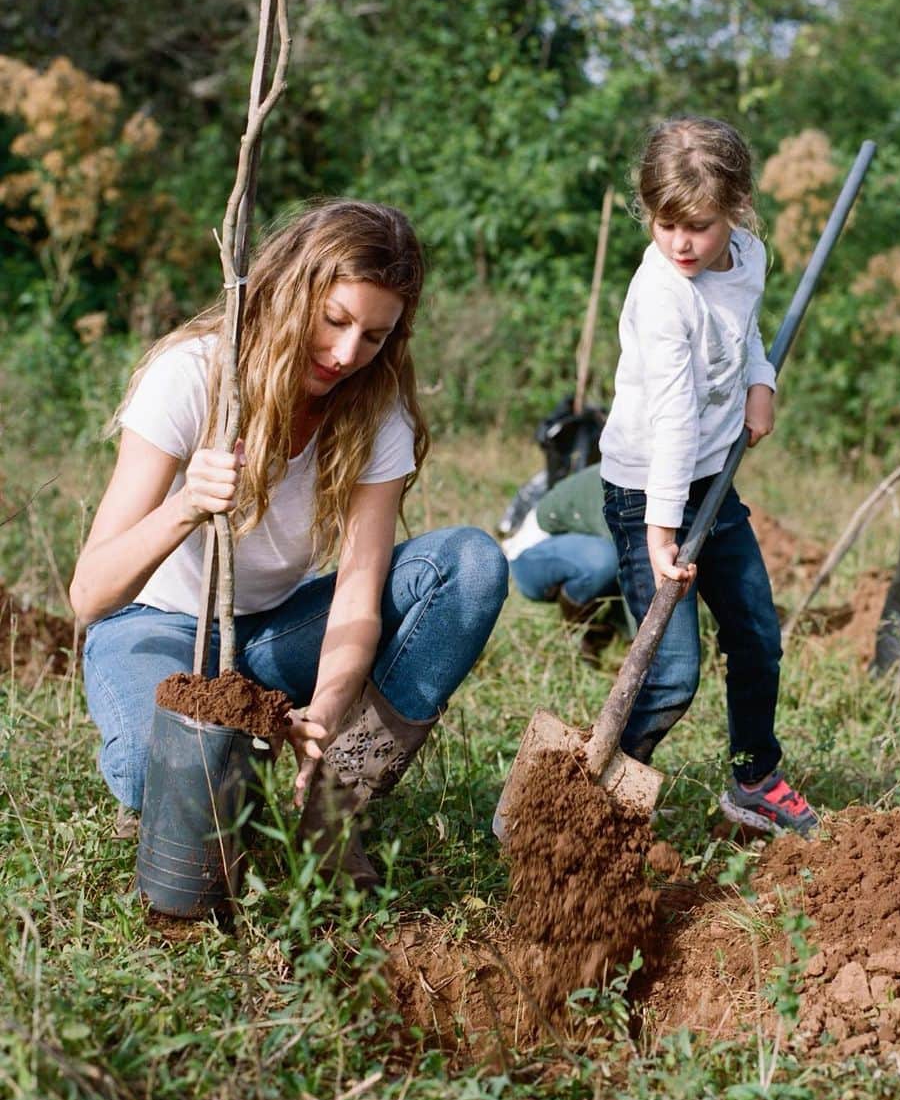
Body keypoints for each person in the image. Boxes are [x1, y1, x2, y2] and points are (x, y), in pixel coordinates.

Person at [69, 199, 509, 884]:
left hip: (275, 634)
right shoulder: (193, 374)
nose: (347, 354)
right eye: (334, 320)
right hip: (152, 625)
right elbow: (90, 594)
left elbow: (358, 598)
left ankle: (333, 804)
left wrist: (329, 707)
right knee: (152, 770)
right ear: (288, 292)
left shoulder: (374, 408)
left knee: (470, 564)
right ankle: (225, 771)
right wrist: (187, 505)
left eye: (374, 336)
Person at [599, 116, 818, 837]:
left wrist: (761, 382)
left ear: (737, 210)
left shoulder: (748, 256)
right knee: (669, 674)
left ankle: (755, 778)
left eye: (698, 226)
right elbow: (672, 419)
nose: (681, 244)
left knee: (756, 635)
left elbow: (744, 330)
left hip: (713, 482)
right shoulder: (662, 295)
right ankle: (599, 795)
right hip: (647, 490)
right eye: (665, 225)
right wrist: (661, 530)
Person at [501, 463, 628, 661]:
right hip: (529, 560)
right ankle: (575, 639)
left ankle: (606, 631)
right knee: (606, 559)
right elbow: (631, 565)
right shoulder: (621, 481)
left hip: (575, 550)